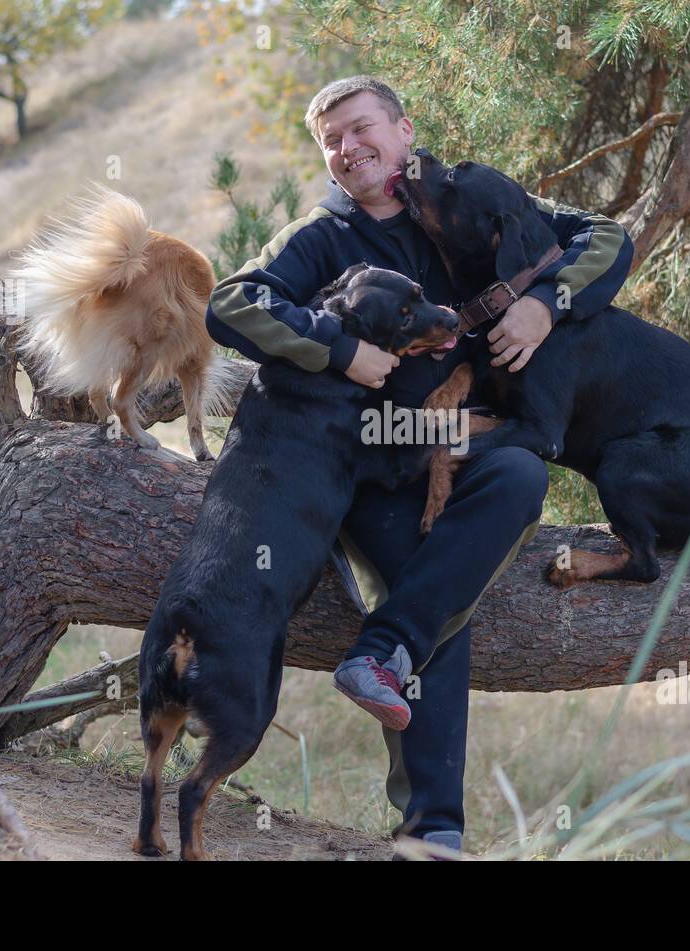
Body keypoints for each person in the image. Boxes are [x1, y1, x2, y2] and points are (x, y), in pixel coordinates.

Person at [206, 75, 633, 855]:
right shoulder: (320, 236)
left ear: (404, 131)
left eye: (362, 127)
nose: (348, 147)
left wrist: (549, 302)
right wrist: (343, 350)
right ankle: (432, 830)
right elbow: (232, 305)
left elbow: (604, 235)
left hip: (458, 443)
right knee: (438, 594)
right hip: (364, 463)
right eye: (331, 140)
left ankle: (381, 651)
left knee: (521, 476)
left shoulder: (463, 201)